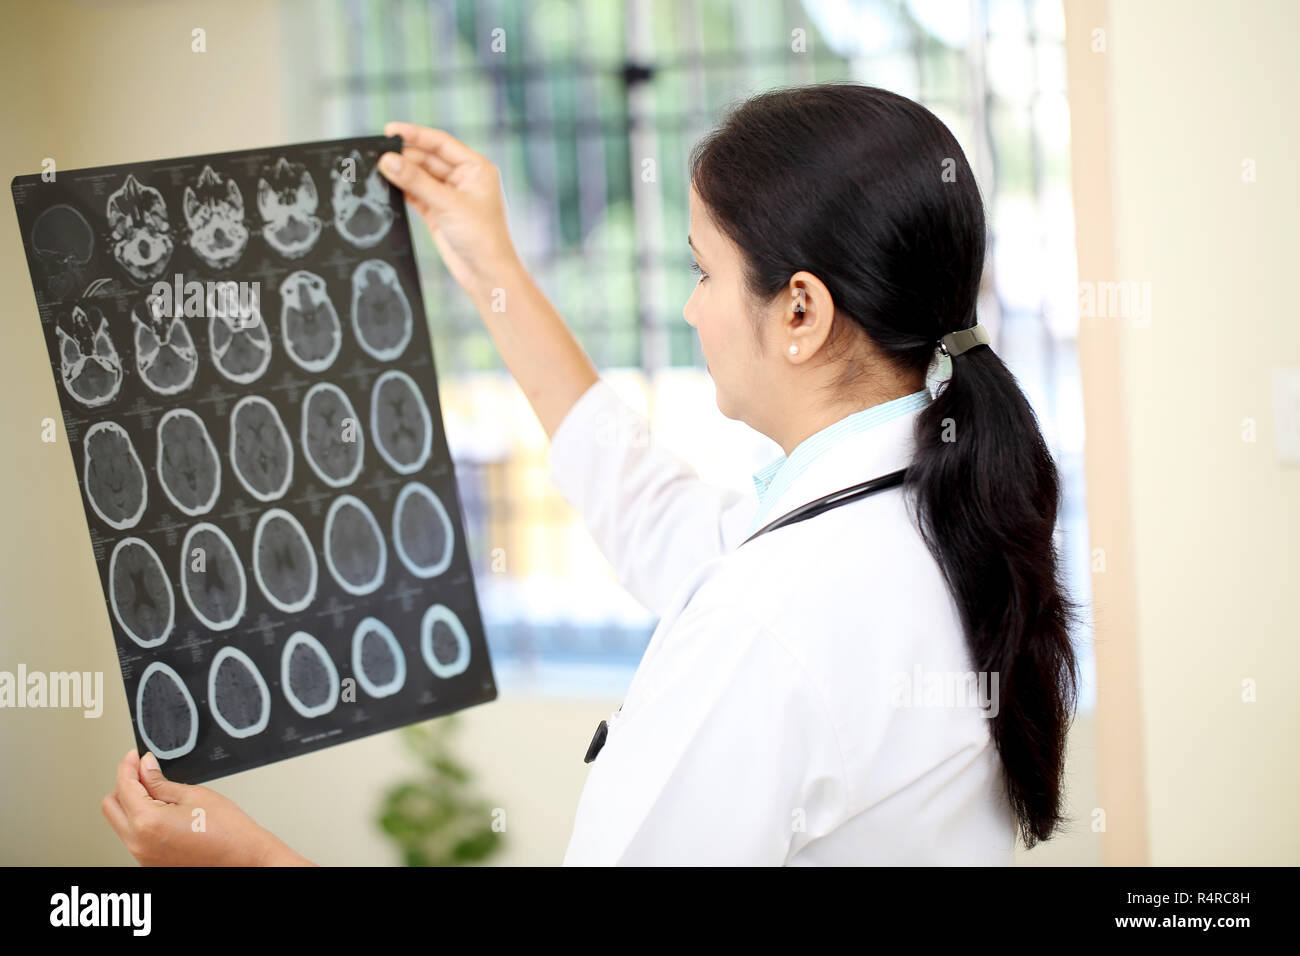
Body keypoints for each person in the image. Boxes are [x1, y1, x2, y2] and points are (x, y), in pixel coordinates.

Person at [103, 82, 1078, 866]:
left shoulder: (774, 617)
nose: (691, 310)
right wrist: (491, 265)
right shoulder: (930, 515)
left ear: (799, 312)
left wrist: (249, 860)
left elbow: (737, 599)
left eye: (702, 272)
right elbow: (652, 508)